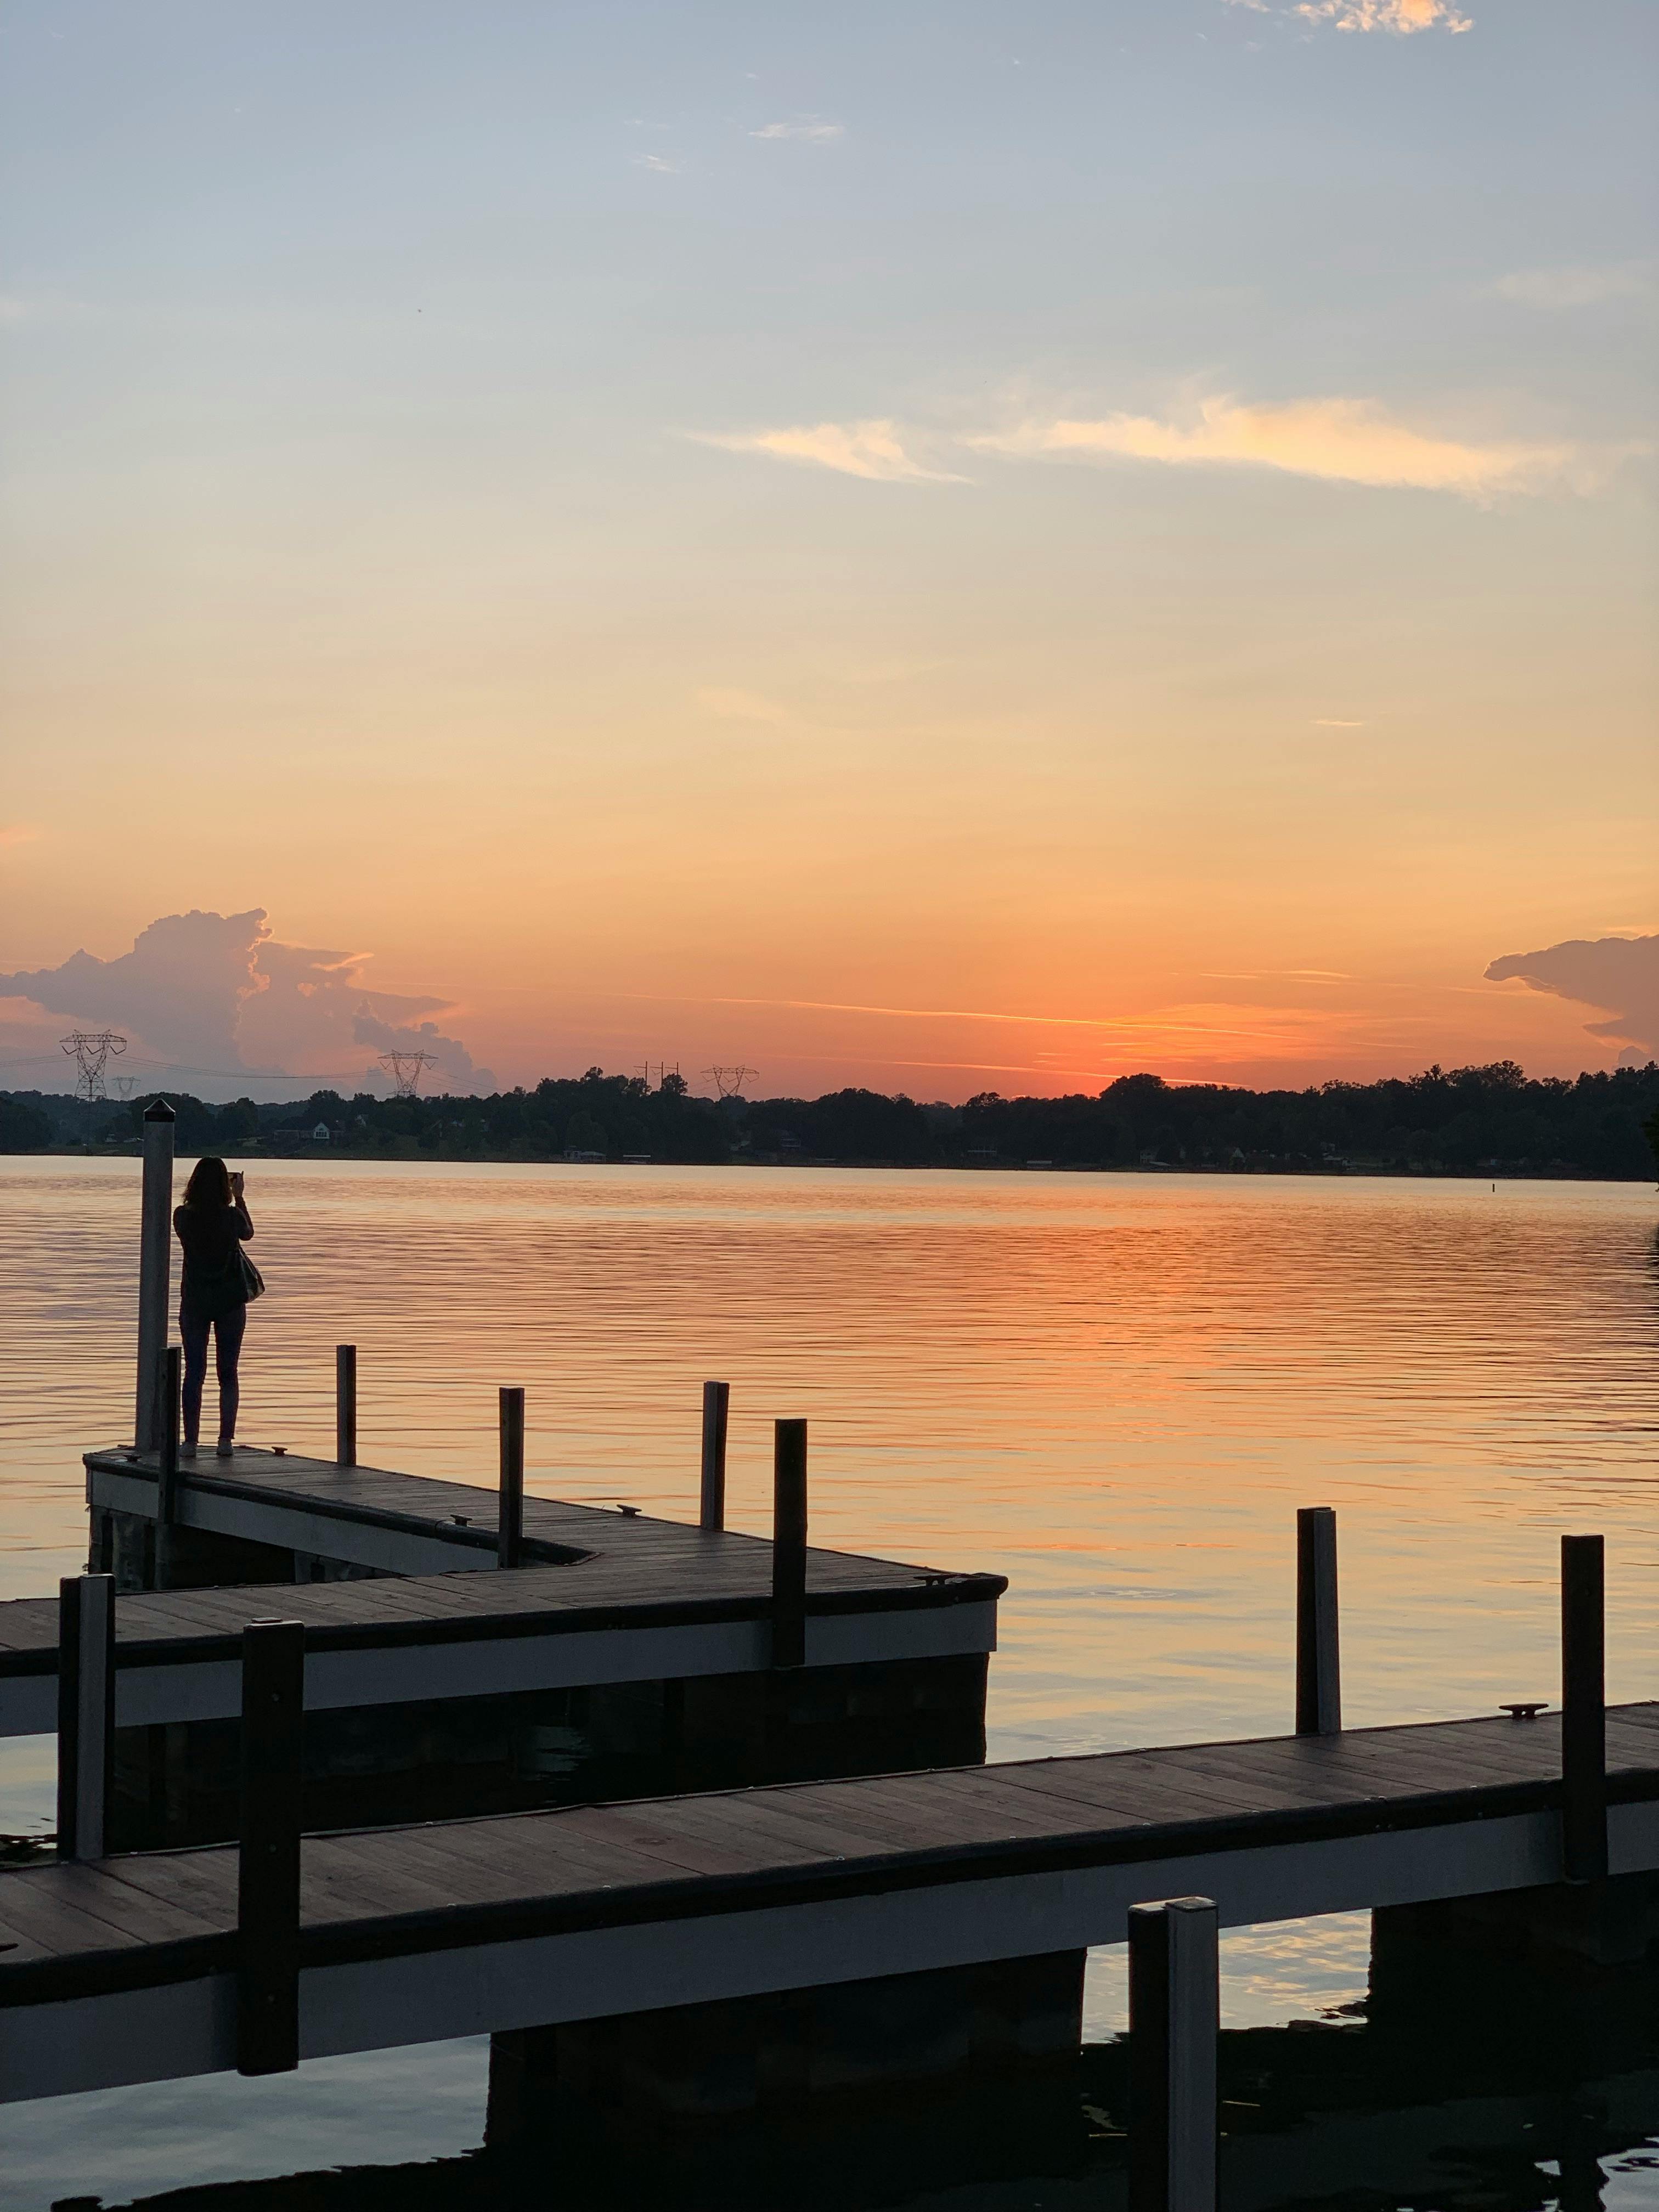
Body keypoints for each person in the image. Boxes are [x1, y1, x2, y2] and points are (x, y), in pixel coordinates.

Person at [174, 1157, 255, 1458]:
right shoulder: (231, 1217)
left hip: (195, 1301)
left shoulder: (182, 1216)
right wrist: (241, 1197)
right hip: (230, 1301)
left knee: (194, 1372)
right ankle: (225, 1441)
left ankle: (190, 1442)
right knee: (228, 1372)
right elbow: (248, 1233)